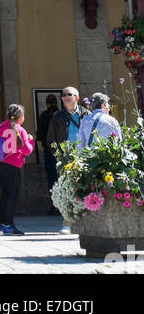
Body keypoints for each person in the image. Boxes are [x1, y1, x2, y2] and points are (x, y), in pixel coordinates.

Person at [47, 85, 85, 234]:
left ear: (77, 97)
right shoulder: (57, 116)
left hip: (83, 157)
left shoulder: (85, 114)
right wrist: (59, 157)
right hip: (66, 159)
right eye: (63, 95)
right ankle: (67, 222)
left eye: (69, 94)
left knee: (84, 189)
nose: (65, 97)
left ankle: (84, 222)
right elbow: (51, 139)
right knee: (66, 190)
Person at [0, 102, 35, 235]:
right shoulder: (19, 130)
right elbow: (27, 150)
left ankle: (1, 223)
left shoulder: (1, 128)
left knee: (5, 194)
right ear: (20, 117)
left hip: (0, 164)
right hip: (13, 165)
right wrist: (30, 140)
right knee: (12, 196)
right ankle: (9, 225)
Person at [36, 94, 60, 206]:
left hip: (49, 151)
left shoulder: (44, 116)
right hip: (63, 150)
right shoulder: (62, 115)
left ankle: (54, 205)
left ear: (47, 104)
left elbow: (40, 135)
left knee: (51, 177)